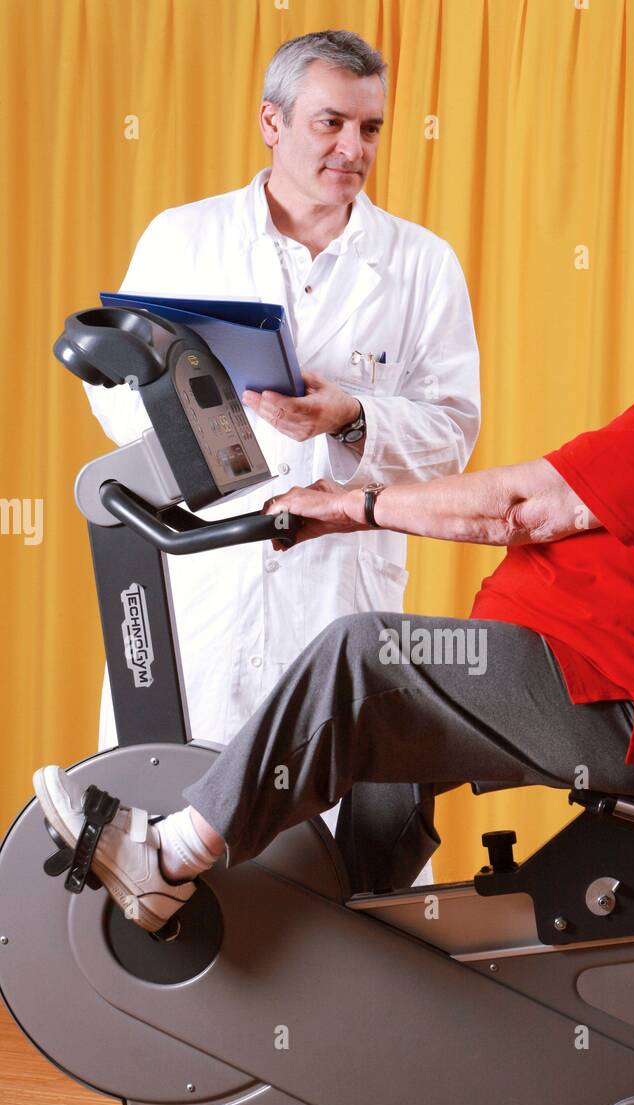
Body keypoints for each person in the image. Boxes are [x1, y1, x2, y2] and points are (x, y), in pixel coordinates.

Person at [36, 187, 634, 934]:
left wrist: (348, 506)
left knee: (363, 658)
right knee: (390, 736)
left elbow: (521, 507)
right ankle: (358, 940)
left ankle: (166, 859)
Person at [82, 28, 480, 757]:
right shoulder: (185, 239)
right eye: (330, 123)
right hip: (207, 582)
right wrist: (216, 417)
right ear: (273, 122)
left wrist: (352, 418)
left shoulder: (423, 264)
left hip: (337, 590)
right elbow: (113, 398)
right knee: (166, 811)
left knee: (326, 844)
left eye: (369, 128)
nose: (353, 149)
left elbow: (452, 435)